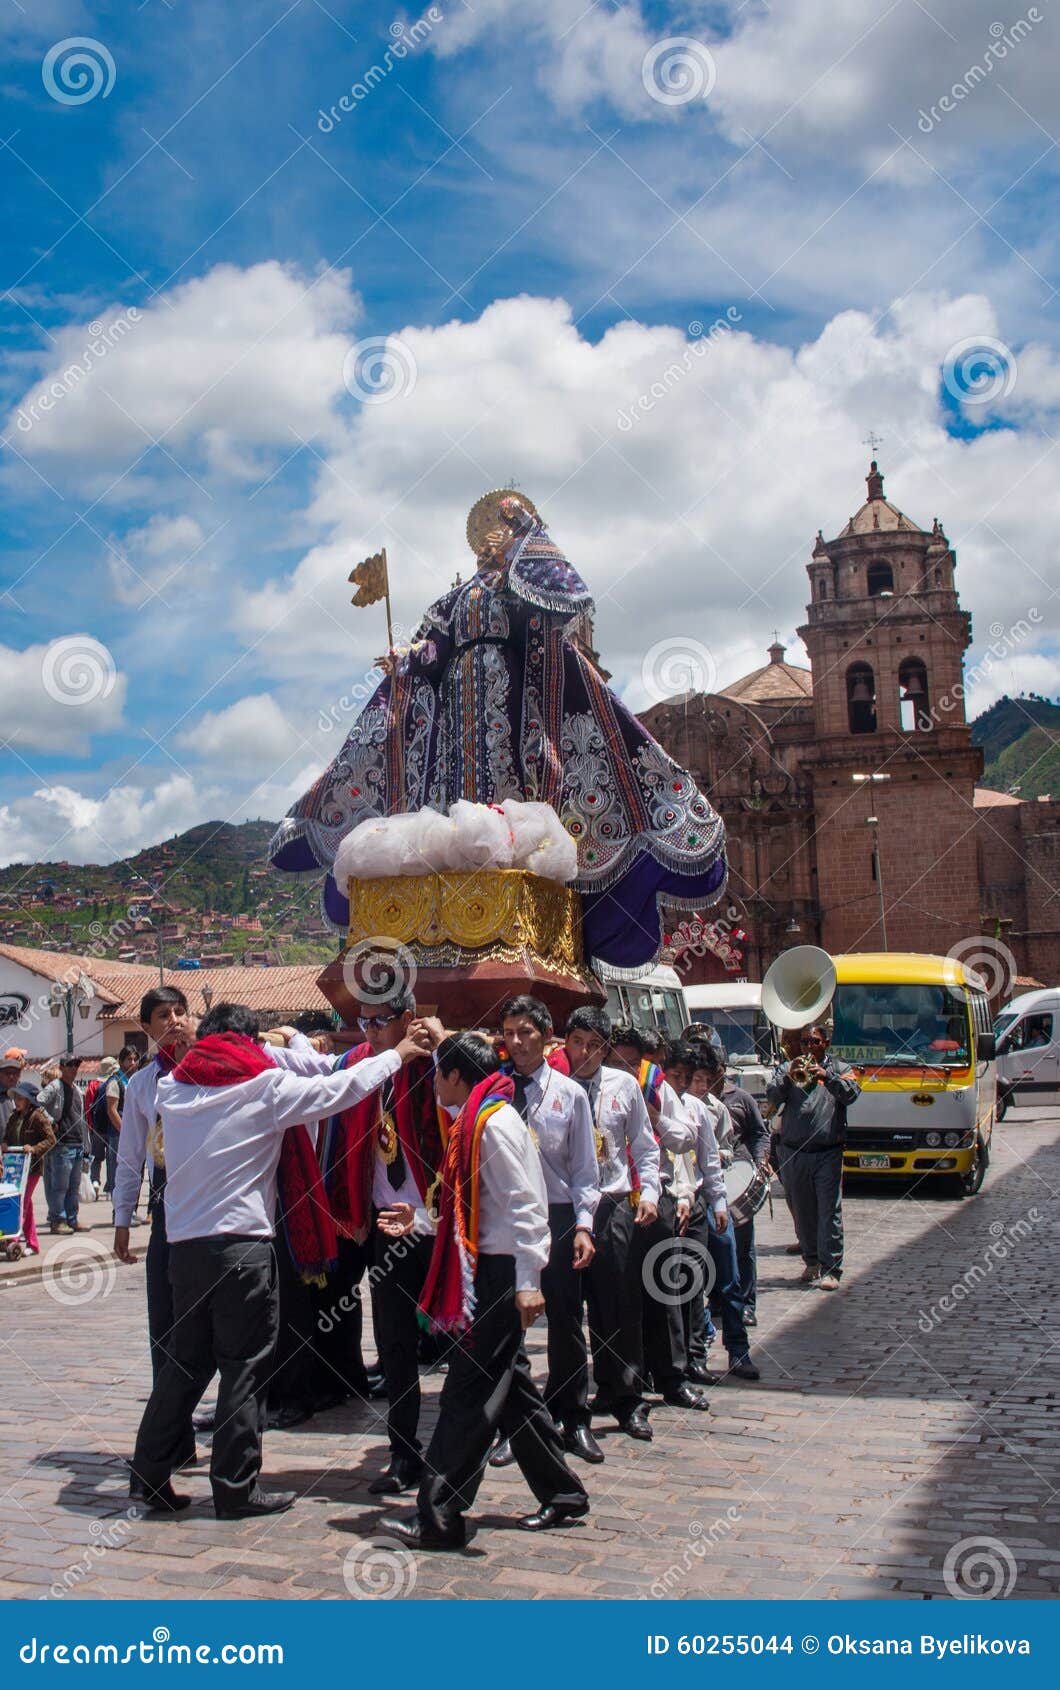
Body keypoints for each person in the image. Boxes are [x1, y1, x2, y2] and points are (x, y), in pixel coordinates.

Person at [269, 491, 727, 973]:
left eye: (499, 537)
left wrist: (528, 531)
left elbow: (567, 594)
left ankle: (504, 853)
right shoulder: (453, 600)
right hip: (457, 702)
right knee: (455, 790)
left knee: (505, 782)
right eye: (483, 540)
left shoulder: (519, 586)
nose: (489, 545)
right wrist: (404, 660)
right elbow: (434, 649)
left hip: (510, 697)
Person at [129, 1000, 432, 1519]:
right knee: (245, 1369)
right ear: (250, 1044)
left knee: (185, 1365)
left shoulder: (171, 1091)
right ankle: (235, 1487)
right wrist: (399, 1055)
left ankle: (149, 1476)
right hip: (243, 1250)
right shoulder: (262, 1088)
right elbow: (340, 1090)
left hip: (184, 1251)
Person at [382, 1032, 589, 1549]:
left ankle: (441, 1513)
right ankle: (562, 1492)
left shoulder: (490, 1125)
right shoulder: (475, 1121)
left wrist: (526, 1283)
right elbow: (472, 1212)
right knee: (512, 1390)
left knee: (467, 1396)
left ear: (455, 1076)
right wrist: (423, 1221)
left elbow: (526, 1208)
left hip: (498, 1277)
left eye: (437, 1075)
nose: (432, 1085)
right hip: (488, 1268)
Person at [318, 986, 445, 1493]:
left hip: (437, 1221)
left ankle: (476, 1439)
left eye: (379, 1021)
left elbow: (494, 1066)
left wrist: (443, 1040)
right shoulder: (358, 1065)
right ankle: (403, 1451)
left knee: (462, 1336)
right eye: (362, 1021)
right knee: (393, 1344)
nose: (368, 1031)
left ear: (408, 1018)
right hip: (386, 1227)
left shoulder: (438, 1065)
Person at [489, 995, 599, 1468]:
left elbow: (585, 1171)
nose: (517, 1042)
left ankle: (573, 1417)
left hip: (556, 1217)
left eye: (526, 1033)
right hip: (510, 1219)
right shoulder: (494, 1091)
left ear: (547, 1037)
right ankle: (517, 1424)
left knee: (566, 1321)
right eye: (509, 1033)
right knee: (512, 1322)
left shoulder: (569, 1094)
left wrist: (584, 1226)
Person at [553, 1006, 659, 1445]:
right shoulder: (551, 1089)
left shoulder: (624, 1087)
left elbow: (645, 1147)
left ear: (607, 1047)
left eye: (595, 1044)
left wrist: (649, 1192)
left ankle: (625, 1397)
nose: (585, 1052)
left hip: (612, 1204)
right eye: (577, 1041)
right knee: (564, 1309)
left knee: (617, 1305)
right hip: (564, 1208)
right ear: (565, 1042)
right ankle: (566, 1401)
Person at [607, 1024, 706, 1412]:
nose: (625, 1070)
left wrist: (655, 1118)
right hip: (614, 1200)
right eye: (618, 1062)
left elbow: (685, 1140)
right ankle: (622, 1381)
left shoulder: (655, 1084)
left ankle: (672, 1377)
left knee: (664, 1290)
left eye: (632, 1063)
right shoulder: (593, 1085)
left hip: (655, 1195)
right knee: (618, 1294)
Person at [669, 1043, 757, 1382]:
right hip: (679, 1201)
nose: (699, 1086)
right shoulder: (661, 1103)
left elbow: (713, 1159)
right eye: (692, 1079)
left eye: (705, 1079)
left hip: (706, 1198)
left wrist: (719, 1202)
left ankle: (738, 1349)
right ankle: (695, 1349)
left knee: (729, 1277)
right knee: (683, 1280)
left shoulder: (712, 1110)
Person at [767, 1022, 860, 1292]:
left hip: (826, 1152)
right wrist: (786, 1079)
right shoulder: (787, 1068)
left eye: (814, 1042)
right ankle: (811, 1261)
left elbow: (852, 1095)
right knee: (803, 1210)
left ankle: (831, 1268)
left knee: (828, 1211)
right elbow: (772, 1100)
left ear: (826, 1043)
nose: (808, 1047)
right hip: (794, 1150)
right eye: (805, 1042)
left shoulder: (840, 1069)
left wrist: (826, 1076)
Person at [705, 1046, 770, 1327]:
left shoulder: (741, 1099)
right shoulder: (695, 1099)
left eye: (716, 1075)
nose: (711, 1082)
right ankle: (717, 1298)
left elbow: (760, 1134)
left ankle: (746, 1303)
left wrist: (760, 1161)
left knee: (743, 1247)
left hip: (738, 1179)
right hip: (709, 1181)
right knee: (713, 1245)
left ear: (724, 1071)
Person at [1, 1080, 56, 1254]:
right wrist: (4, 1144)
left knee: (21, 1202)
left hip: (31, 1169)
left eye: (20, 1098)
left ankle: (13, 1239)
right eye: (15, 1097)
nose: (17, 1101)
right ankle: (32, 1244)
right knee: (24, 1203)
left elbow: (51, 1139)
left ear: (28, 1100)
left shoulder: (38, 1116)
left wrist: (33, 1149)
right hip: (15, 1168)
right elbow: (7, 1136)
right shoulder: (14, 1117)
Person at [39, 1056, 86, 1234]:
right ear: (61, 1067)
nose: (74, 1068)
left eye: (76, 1065)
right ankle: (57, 1220)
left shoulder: (77, 1089)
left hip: (77, 1143)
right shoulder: (55, 1086)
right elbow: (37, 1102)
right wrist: (51, 1120)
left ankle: (72, 1219)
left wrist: (85, 1143)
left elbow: (80, 1117)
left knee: (73, 1187)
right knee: (59, 1187)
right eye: (70, 1065)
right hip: (61, 1144)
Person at [0, 1049, 27, 1137]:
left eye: (15, 1073)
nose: (11, 1077)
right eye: (7, 1073)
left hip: (22, 1148)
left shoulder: (25, 1092)